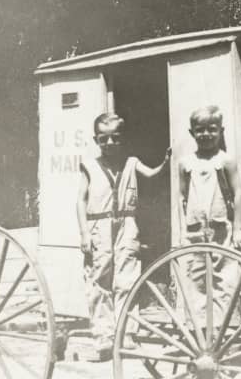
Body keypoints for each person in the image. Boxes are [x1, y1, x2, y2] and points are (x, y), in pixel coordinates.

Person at [77, 113, 171, 361]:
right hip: (99, 224)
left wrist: (166, 162)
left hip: (127, 223)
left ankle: (126, 336)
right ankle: (104, 340)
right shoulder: (89, 164)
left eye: (115, 138)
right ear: (96, 139)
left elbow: (152, 174)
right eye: (103, 139)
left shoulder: (131, 162)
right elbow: (81, 200)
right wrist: (84, 232)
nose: (109, 144)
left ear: (123, 139)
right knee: (100, 281)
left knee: (127, 279)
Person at [177, 105, 241, 323]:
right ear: (192, 133)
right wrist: (182, 231)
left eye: (212, 129)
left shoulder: (225, 161)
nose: (205, 135)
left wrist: (238, 229)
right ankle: (199, 333)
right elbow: (181, 197)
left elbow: (238, 193)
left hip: (221, 230)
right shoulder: (186, 163)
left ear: (220, 131)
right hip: (195, 231)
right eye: (200, 130)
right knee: (196, 279)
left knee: (225, 280)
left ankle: (227, 330)